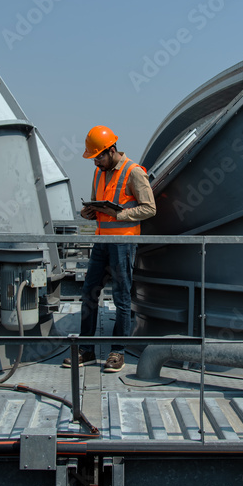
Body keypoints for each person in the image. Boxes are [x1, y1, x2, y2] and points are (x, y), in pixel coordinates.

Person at [64, 125, 156, 373]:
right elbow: (97, 206)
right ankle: (86, 349)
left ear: (111, 150)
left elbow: (150, 208)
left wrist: (120, 214)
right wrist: (88, 212)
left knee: (121, 298)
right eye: (94, 158)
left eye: (99, 157)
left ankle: (118, 351)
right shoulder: (99, 173)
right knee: (89, 293)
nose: (96, 162)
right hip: (102, 242)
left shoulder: (134, 172)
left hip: (124, 244)